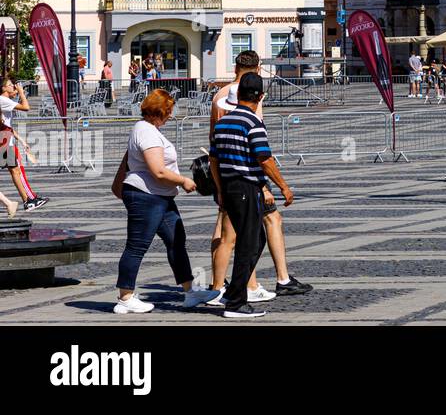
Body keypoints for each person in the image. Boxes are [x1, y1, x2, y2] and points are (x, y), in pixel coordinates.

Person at [209, 51, 311, 305]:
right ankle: (237, 295)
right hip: (247, 186)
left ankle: (227, 287)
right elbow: (263, 158)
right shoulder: (252, 120)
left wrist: (220, 188)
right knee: (246, 241)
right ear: (259, 94)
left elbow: (213, 156)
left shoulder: (221, 111)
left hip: (227, 181)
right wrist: (280, 187)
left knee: (234, 235)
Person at [109, 89, 220, 314]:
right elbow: (158, 171)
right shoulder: (147, 132)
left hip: (160, 196)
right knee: (136, 246)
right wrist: (183, 181)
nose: (171, 115)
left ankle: (190, 292)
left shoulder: (146, 130)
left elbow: (128, 161)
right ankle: (125, 297)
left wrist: (118, 185)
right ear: (161, 111)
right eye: (169, 111)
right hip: (147, 196)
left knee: (176, 241)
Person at [0, 77, 46, 211]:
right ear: (3, 88)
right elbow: (26, 107)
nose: (13, 87)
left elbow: (5, 125)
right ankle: (27, 200)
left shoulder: (5, 101)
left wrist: (21, 140)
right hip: (4, 139)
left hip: (5, 136)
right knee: (15, 170)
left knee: (15, 170)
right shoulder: (3, 100)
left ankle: (27, 200)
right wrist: (21, 92)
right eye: (10, 85)